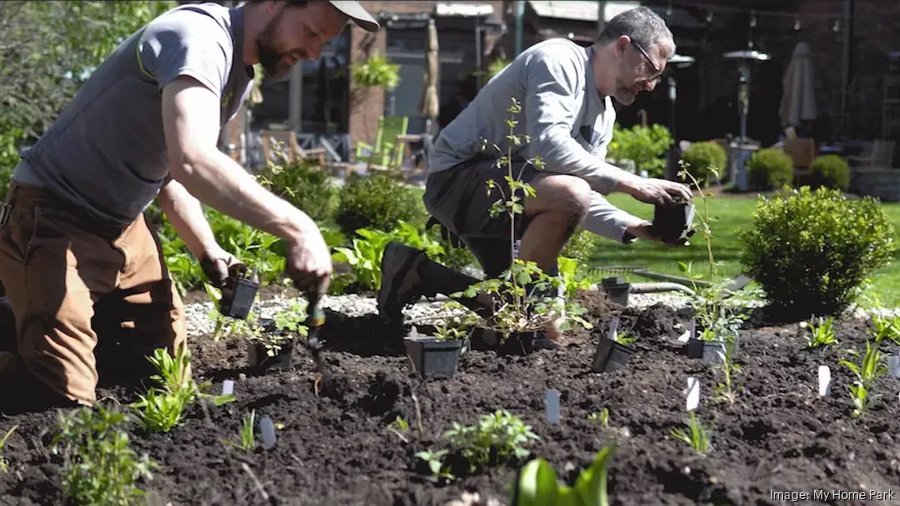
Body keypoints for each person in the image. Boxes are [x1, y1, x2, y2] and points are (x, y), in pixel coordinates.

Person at [0, 0, 379, 410]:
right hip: (54, 215)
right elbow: (193, 159)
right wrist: (298, 227)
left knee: (165, 378)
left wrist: (207, 249)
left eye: (324, 42)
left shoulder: (236, 69)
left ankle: (30, 320)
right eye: (311, 32)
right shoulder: (197, 39)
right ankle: (23, 326)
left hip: (124, 225)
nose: (314, 53)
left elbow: (169, 171)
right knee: (62, 396)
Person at [378, 7, 691, 333]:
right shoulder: (558, 60)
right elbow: (550, 149)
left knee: (545, 326)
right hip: (458, 179)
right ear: (623, 46)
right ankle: (522, 301)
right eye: (652, 69)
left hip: (514, 196)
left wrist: (636, 226)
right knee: (529, 308)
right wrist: (633, 183)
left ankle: (415, 270)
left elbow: (582, 194)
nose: (652, 85)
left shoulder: (604, 114)